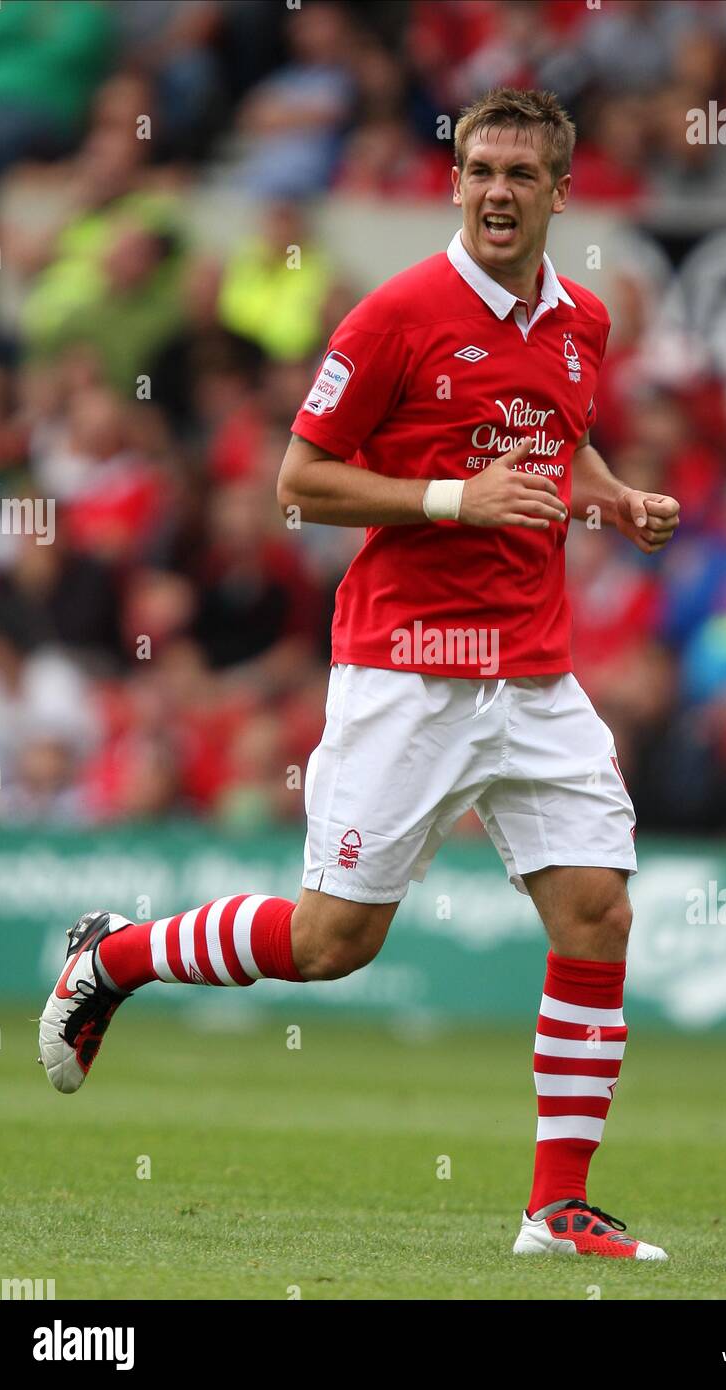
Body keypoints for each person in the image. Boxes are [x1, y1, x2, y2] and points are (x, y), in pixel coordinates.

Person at [39, 88, 680, 1261]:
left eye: (521, 174)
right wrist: (453, 499)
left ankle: (555, 1206)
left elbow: (557, 433)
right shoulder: (395, 315)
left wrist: (614, 495)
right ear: (454, 181)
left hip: (534, 673)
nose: (496, 189)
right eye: (480, 167)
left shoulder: (580, 319)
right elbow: (300, 479)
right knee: (334, 941)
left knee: (597, 911)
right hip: (409, 668)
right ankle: (113, 958)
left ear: (558, 191)